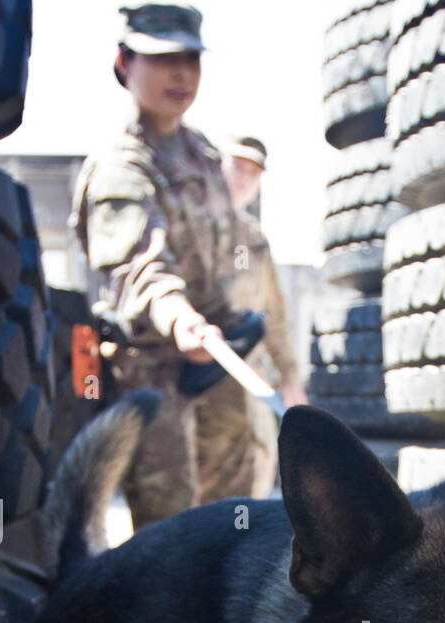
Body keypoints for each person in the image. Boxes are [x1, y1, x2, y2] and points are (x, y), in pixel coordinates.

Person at [70, 4, 268, 528]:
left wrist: (234, 324)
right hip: (155, 371)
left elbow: (222, 258)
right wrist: (181, 319)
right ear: (124, 63)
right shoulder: (121, 166)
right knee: (168, 535)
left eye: (190, 59)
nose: (180, 73)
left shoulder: (203, 155)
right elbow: (140, 268)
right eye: (161, 59)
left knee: (233, 523)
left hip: (217, 360)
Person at [209, 136, 308, 501]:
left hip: (249, 388)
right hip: (198, 381)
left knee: (250, 492)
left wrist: (291, 379)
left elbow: (274, 318)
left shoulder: (254, 241)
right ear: (220, 166)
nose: (244, 178)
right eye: (238, 167)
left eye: (254, 172)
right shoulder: (191, 226)